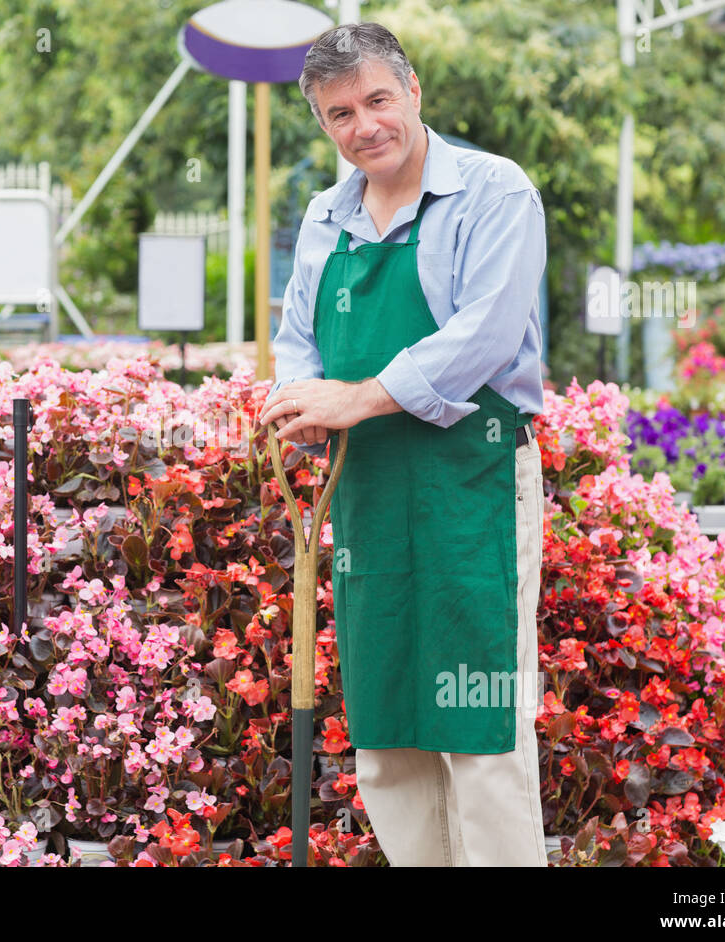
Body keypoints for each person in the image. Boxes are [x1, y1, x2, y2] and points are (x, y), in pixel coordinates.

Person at [257, 21, 549, 867]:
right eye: (339, 114)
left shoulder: (495, 193)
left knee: (479, 727)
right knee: (387, 727)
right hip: (369, 483)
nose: (364, 126)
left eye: (378, 100)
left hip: (474, 479)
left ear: (414, 92)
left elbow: (484, 337)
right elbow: (298, 338)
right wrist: (299, 402)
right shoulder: (326, 213)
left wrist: (357, 396)